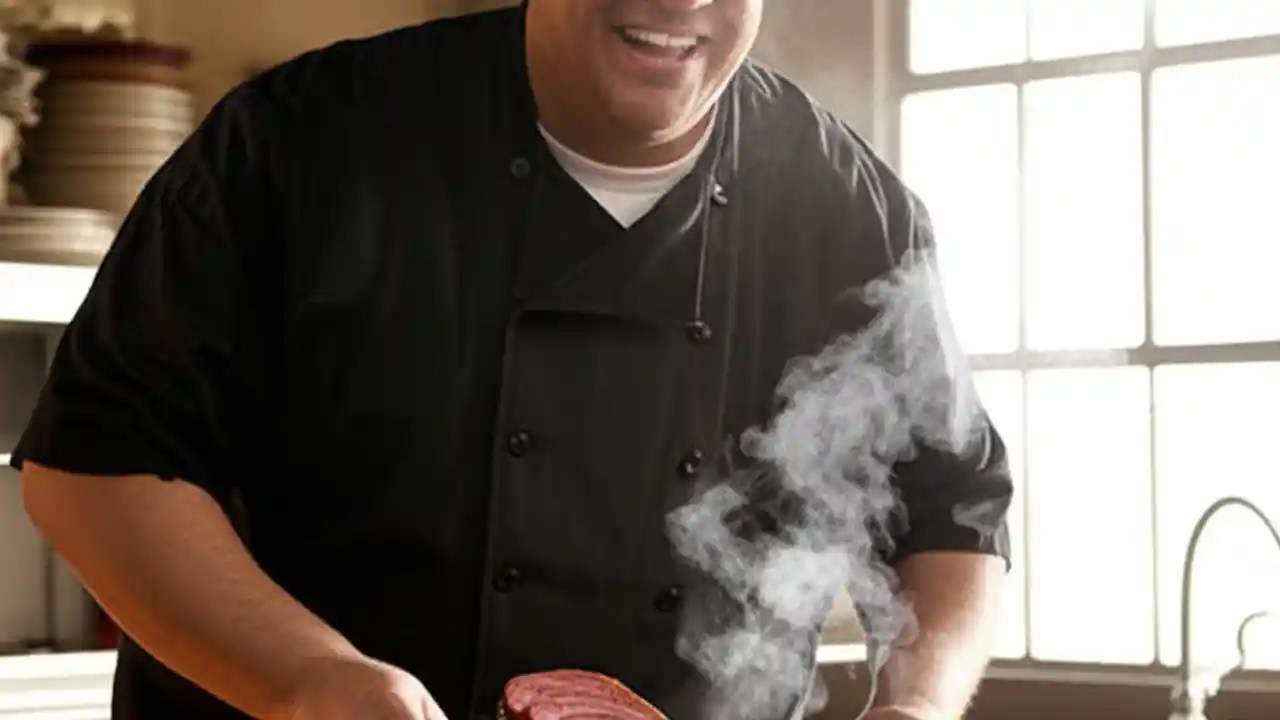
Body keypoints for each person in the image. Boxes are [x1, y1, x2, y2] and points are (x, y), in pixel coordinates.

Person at [12, 1, 1013, 718]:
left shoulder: (847, 210)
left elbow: (952, 513)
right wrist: (307, 681)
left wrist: (913, 709)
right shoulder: (305, 140)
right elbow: (94, 463)